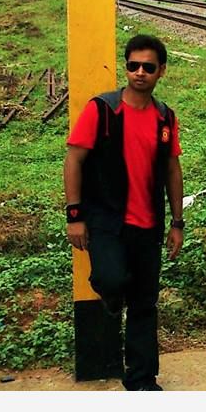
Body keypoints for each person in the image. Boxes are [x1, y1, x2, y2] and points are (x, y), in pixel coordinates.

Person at [63, 33, 184, 391]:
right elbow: (74, 159)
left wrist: (177, 223)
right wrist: (75, 215)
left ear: (161, 71)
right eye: (133, 66)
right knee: (112, 280)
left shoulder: (165, 118)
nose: (140, 73)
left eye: (148, 67)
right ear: (126, 68)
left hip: (149, 225)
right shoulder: (101, 110)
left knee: (145, 303)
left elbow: (173, 169)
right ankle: (113, 299)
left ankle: (142, 379)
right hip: (107, 221)